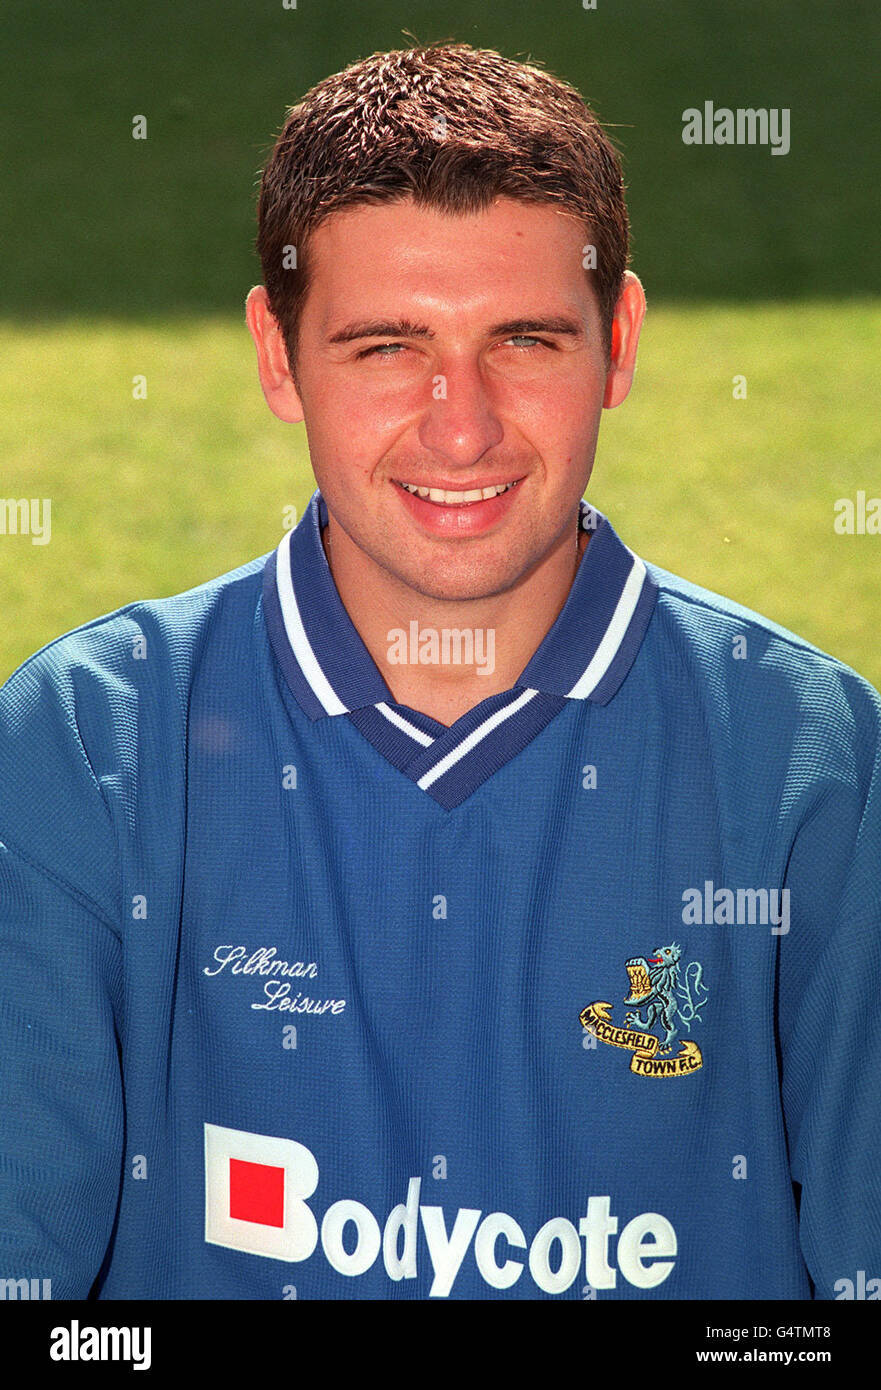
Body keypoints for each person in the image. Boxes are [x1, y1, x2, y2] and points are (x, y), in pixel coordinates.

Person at [1, 42, 878, 1302]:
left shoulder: (814, 761)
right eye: (382, 346)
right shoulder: (86, 747)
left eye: (522, 340)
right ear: (275, 353)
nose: (457, 425)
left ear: (617, 339)